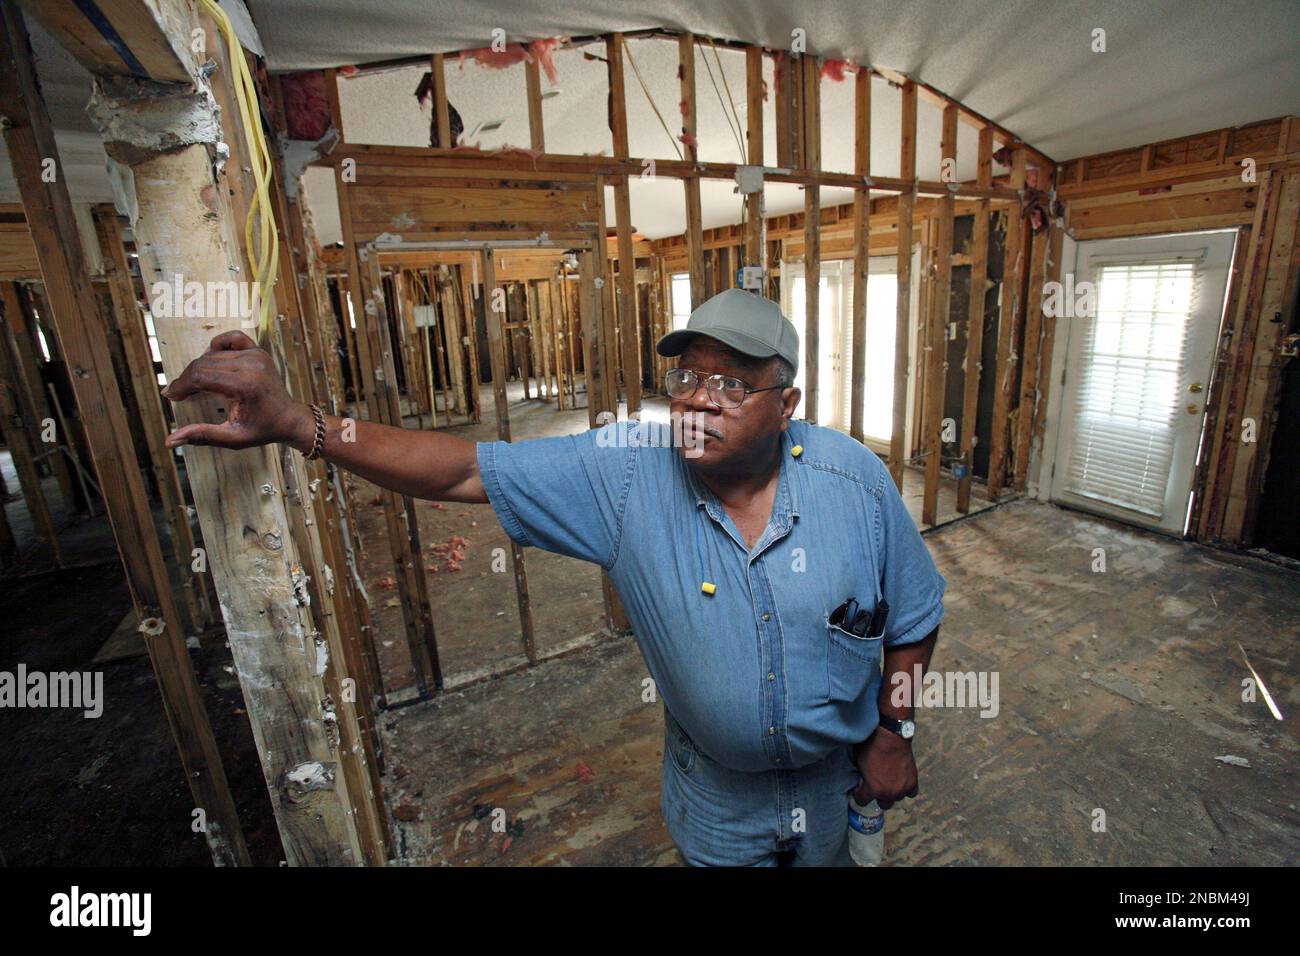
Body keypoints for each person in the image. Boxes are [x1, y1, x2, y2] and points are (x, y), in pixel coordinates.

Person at [163, 288, 945, 866]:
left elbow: (912, 619)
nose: (700, 402)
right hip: (717, 798)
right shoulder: (629, 475)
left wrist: (894, 730)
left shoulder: (855, 484)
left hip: (832, 786)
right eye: (687, 378)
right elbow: (465, 469)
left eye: (735, 385)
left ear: (789, 405)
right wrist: (304, 424)